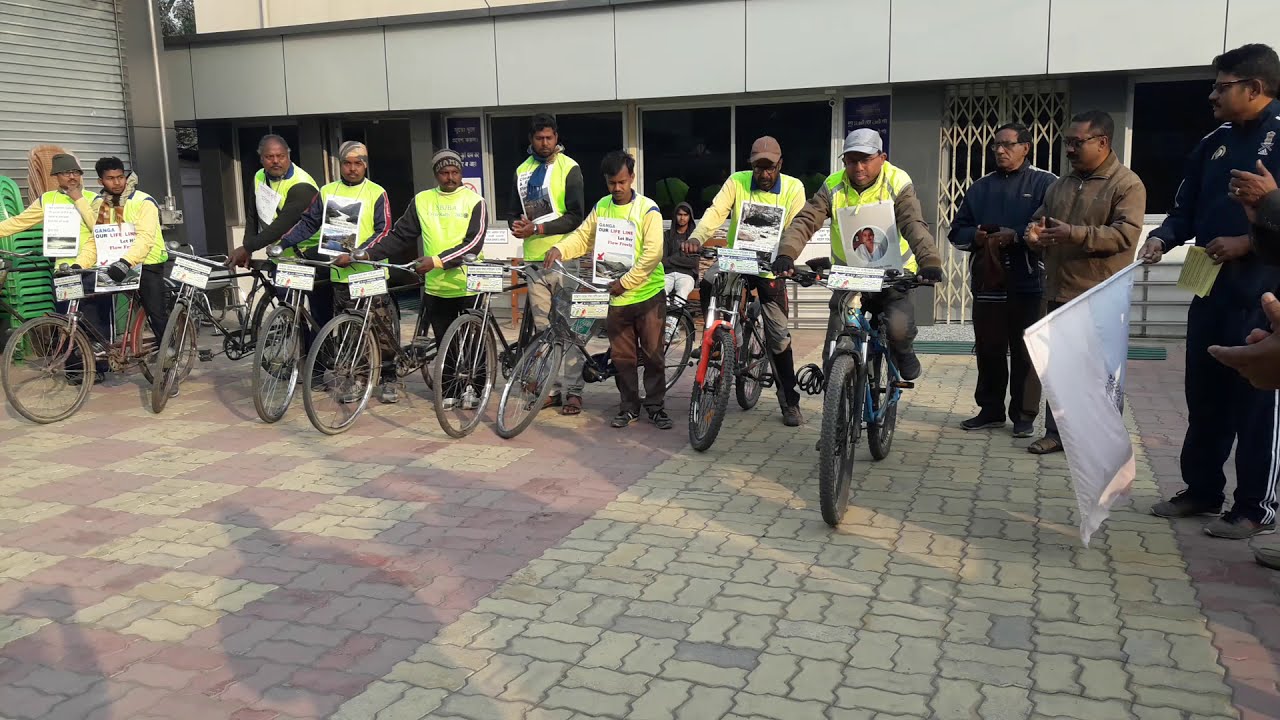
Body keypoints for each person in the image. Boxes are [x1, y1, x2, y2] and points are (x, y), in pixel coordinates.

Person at [1140, 43, 1280, 539]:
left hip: (1266, 296)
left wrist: (1249, 240)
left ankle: (1254, 507)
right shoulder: (1214, 141)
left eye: (1222, 86)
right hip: (1209, 288)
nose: (1211, 95)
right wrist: (1161, 237)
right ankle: (1202, 490)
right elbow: (1184, 210)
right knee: (1205, 393)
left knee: (1257, 401)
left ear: (1255, 89)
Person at [777, 128, 944, 389]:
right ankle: (837, 404)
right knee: (835, 337)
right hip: (851, 276)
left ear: (882, 157)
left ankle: (904, 352)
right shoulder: (833, 185)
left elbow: (913, 224)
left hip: (893, 274)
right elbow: (806, 220)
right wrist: (787, 253)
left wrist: (930, 261)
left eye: (865, 159)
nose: (858, 167)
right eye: (852, 160)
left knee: (898, 328)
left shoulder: (898, 182)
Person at [1025, 109, 1146, 455]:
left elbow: (1125, 235)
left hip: (1102, 293)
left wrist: (1072, 233)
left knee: (1103, 375)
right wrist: (1033, 234)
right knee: (1062, 369)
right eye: (1068, 142)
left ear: (1103, 142)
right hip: (1061, 290)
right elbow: (1039, 221)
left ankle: (1101, 441)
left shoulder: (1127, 184)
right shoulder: (1060, 185)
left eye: (1078, 143)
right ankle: (1058, 433)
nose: (1070, 150)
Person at [341, 149, 486, 407]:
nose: (450, 177)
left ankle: (475, 388)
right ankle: (451, 388)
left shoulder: (475, 201)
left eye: (455, 172)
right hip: (436, 286)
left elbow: (473, 244)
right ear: (436, 174)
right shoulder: (422, 200)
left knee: (472, 343)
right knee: (445, 341)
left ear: (461, 173)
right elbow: (400, 236)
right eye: (444, 172)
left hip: (469, 283)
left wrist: (437, 261)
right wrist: (367, 253)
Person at [683, 136, 809, 426]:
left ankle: (789, 400)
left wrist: (788, 257)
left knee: (778, 336)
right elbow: (716, 211)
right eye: (759, 168)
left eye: (770, 169)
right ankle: (719, 341)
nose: (764, 175)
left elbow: (797, 227)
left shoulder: (793, 188)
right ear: (750, 165)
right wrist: (697, 237)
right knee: (709, 280)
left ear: (780, 165)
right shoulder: (737, 181)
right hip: (736, 261)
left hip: (769, 268)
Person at [543, 151, 669, 430]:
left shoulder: (648, 209)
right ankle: (629, 408)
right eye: (612, 183)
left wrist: (625, 282)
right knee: (623, 357)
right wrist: (560, 248)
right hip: (615, 297)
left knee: (652, 355)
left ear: (632, 178)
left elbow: (652, 255)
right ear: (606, 181)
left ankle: (656, 407)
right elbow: (584, 237)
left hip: (647, 295)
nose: (618, 188)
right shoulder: (602, 207)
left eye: (623, 182)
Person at [948, 122, 1057, 438]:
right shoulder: (981, 187)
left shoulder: (1045, 184)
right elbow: (958, 230)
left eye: (1008, 144)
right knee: (989, 347)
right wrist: (978, 237)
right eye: (995, 145)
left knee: (1027, 351)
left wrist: (1020, 237)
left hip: (1029, 280)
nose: (999, 150)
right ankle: (990, 409)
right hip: (988, 280)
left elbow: (1051, 229)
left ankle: (1024, 415)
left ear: (1026, 147)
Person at [280, 141, 398, 403]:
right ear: (340, 165)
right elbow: (309, 222)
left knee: (380, 328)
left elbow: (384, 230)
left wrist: (359, 253)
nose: (352, 168)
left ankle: (388, 377)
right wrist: (283, 243)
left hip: (369, 273)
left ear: (365, 165)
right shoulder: (327, 191)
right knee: (347, 330)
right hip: (340, 275)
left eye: (358, 163)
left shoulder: (377, 192)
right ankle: (356, 378)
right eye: (347, 163)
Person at [506, 113, 588, 414]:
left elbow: (576, 216)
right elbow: (513, 211)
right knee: (543, 329)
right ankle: (550, 390)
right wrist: (516, 225)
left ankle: (574, 391)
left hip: (566, 259)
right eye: (539, 138)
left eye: (549, 138)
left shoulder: (570, 168)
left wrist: (538, 229)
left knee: (569, 326)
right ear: (531, 139)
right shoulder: (521, 170)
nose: (544, 143)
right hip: (534, 262)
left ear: (556, 138)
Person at [0, 153, 106, 377]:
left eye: (76, 172)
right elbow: (19, 222)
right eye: (66, 173)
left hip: (92, 267)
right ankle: (76, 370)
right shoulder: (48, 199)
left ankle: (100, 367)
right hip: (65, 269)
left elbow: (99, 228)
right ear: (56, 176)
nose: (72, 177)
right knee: (67, 319)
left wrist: (78, 198)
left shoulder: (94, 199)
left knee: (94, 318)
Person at [227, 135, 333, 336]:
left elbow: (282, 225)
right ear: (261, 159)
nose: (275, 161)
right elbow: (252, 214)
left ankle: (318, 360)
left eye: (280, 156)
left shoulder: (302, 185)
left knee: (320, 313)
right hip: (281, 255)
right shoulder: (259, 177)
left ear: (289, 156)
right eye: (269, 157)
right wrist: (246, 246)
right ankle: (297, 355)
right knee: (289, 311)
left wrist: (248, 248)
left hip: (311, 254)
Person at [90, 158, 170, 339]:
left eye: (120, 177)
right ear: (100, 181)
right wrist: (80, 264)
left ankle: (168, 353)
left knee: (156, 314)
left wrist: (126, 262)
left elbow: (145, 238)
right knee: (98, 308)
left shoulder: (143, 201)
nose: (117, 182)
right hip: (113, 265)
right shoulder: (99, 204)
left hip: (147, 264)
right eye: (110, 178)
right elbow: (94, 237)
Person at [662, 202, 698, 301]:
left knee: (682, 293)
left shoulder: (694, 238)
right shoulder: (667, 235)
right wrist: (682, 256)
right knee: (660, 292)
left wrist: (671, 258)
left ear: (690, 217)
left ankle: (674, 317)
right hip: (667, 274)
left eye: (685, 215)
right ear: (675, 216)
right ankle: (667, 315)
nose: (682, 218)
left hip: (686, 275)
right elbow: (662, 261)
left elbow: (693, 262)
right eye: (680, 214)